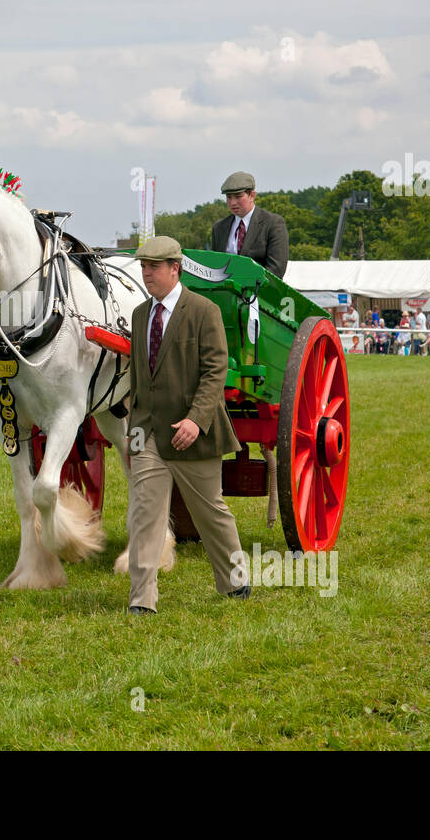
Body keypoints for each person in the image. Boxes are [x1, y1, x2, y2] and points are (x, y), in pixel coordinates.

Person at [124, 236, 249, 614]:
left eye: (154, 267)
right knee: (146, 513)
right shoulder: (140, 315)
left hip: (193, 433)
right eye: (143, 266)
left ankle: (234, 581)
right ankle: (142, 599)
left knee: (210, 510)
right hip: (148, 435)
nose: (146, 273)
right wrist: (134, 431)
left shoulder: (204, 311)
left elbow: (216, 372)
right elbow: (140, 378)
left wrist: (196, 420)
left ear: (175, 269)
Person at [209, 171, 289, 278]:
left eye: (238, 196)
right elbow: (214, 266)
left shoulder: (273, 223)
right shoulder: (219, 227)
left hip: (260, 292)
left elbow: (276, 270)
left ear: (252, 195)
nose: (232, 202)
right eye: (229, 197)